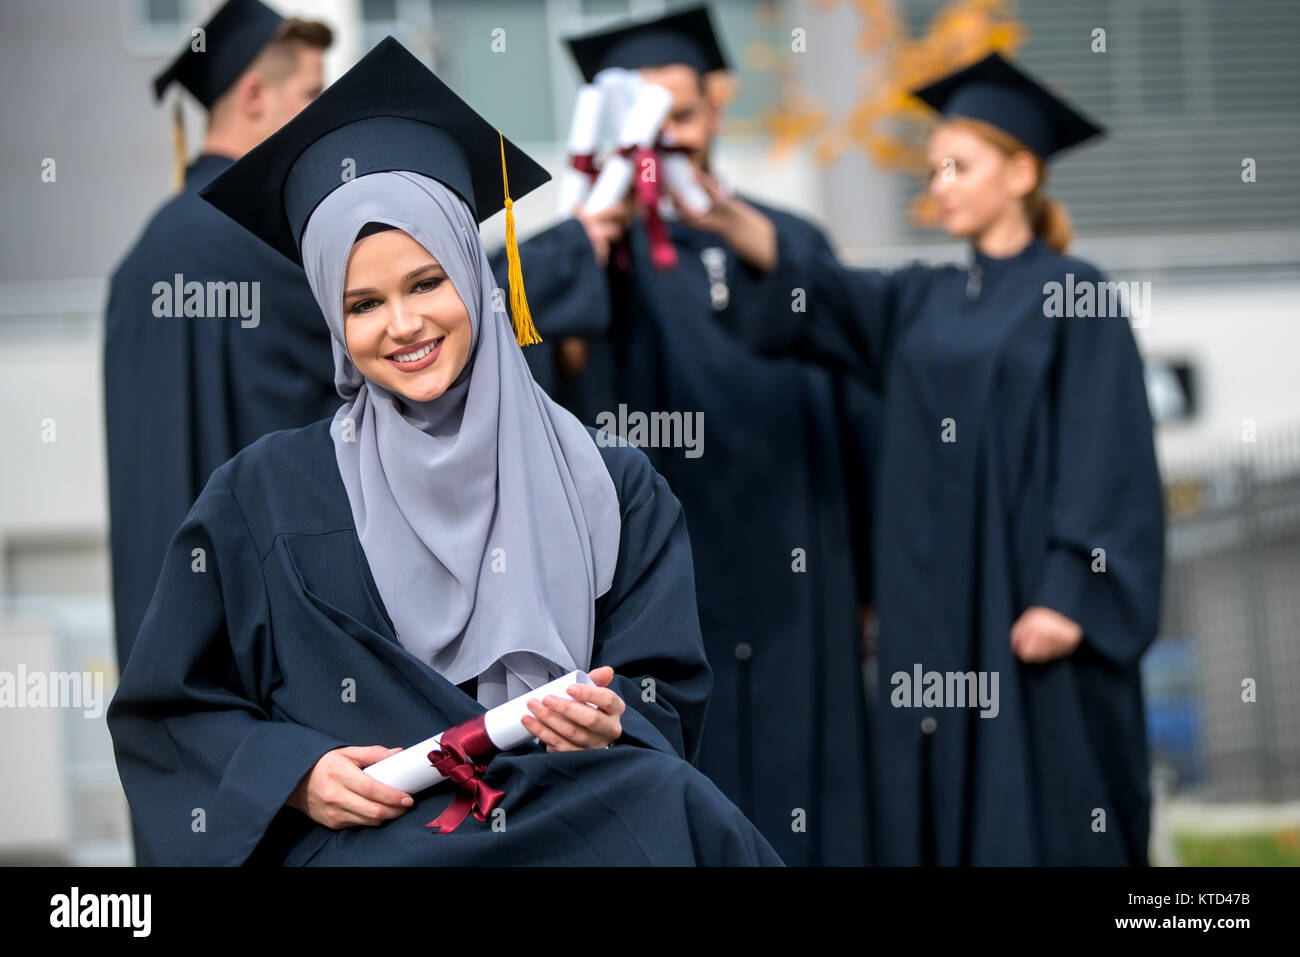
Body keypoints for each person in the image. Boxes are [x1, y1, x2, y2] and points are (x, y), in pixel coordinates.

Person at [106, 36, 782, 867]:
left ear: (476, 277)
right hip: (368, 841)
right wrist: (294, 773)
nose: (403, 326)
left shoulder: (609, 480)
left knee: (684, 811)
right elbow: (169, 709)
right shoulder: (266, 494)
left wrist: (613, 721)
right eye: (362, 303)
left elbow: (659, 691)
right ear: (332, 319)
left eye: (427, 282)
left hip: (565, 811)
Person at [485, 3, 877, 866]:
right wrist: (587, 240)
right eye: (645, 120)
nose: (670, 140)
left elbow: (862, 401)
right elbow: (500, 365)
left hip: (795, 590)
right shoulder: (585, 255)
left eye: (684, 114)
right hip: (655, 598)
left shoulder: (782, 245)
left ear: (719, 107)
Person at [752, 52, 1166, 864]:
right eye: (934, 166)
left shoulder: (1074, 294)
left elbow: (1105, 448)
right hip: (934, 623)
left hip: (1026, 616)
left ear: (1021, 172)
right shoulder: (922, 298)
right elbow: (821, 297)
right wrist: (718, 213)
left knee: (1045, 809)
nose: (939, 183)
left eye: (959, 166)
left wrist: (1070, 589)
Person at [104, 0, 336, 669]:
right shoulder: (264, 236)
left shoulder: (145, 254)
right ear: (257, 94)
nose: (324, 120)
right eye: (311, 95)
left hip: (172, 636)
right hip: (275, 632)